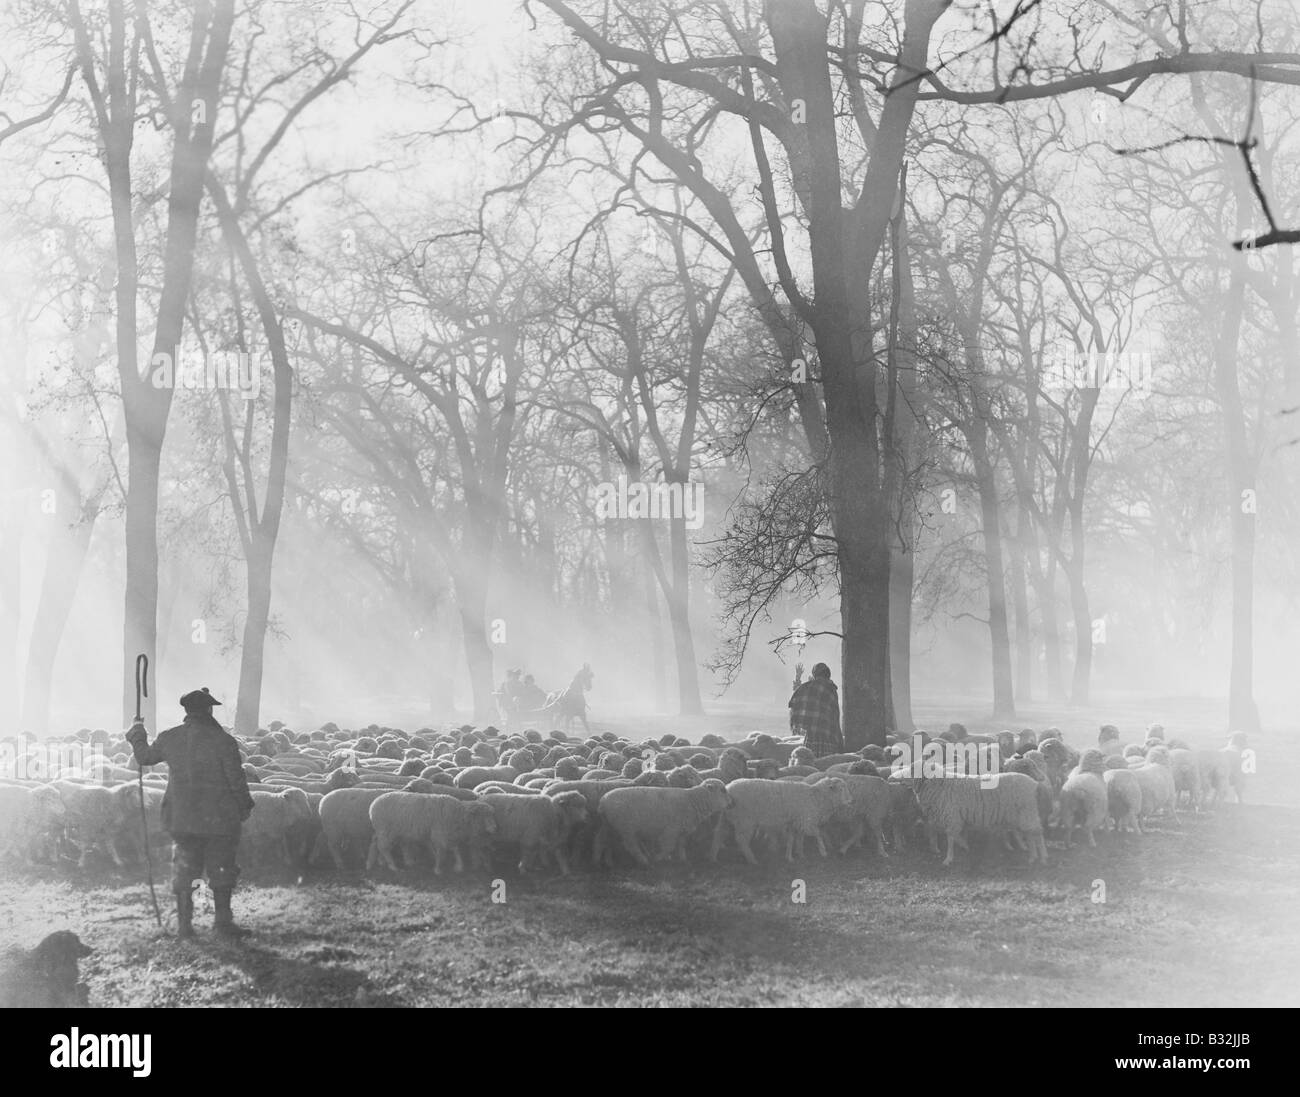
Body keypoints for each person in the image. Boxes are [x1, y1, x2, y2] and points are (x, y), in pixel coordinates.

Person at [126, 688, 254, 940]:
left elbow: (144, 758)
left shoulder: (170, 737)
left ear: (187, 711)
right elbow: (236, 779)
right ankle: (222, 924)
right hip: (219, 818)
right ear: (208, 710)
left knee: (185, 869)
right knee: (221, 869)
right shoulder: (223, 741)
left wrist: (138, 732)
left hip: (182, 817)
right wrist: (244, 805)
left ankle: (185, 927)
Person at [788, 662, 843, 757]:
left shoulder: (808, 686)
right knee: (826, 765)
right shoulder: (831, 689)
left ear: (815, 674)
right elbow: (835, 715)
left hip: (811, 735)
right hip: (828, 735)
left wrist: (798, 678)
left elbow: (797, 697)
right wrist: (839, 739)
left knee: (809, 763)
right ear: (828, 674)